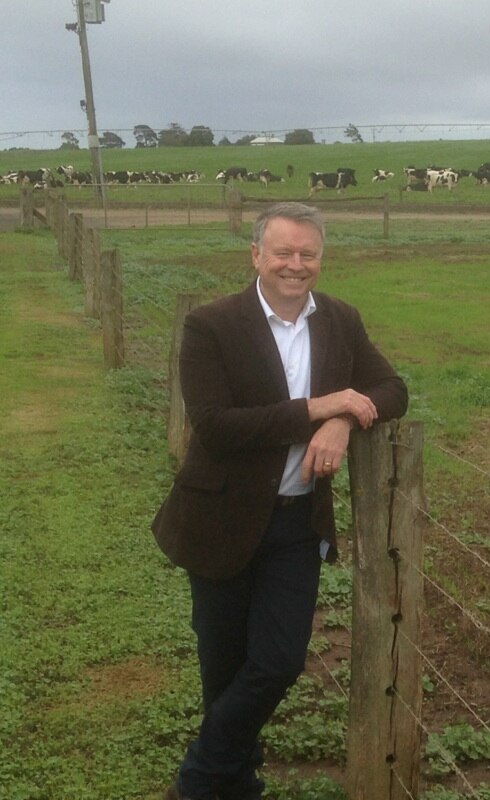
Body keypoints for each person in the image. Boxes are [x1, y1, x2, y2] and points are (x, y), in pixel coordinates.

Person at [152, 201, 408, 800]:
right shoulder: (211, 325)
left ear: (321, 258)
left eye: (308, 254)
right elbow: (216, 426)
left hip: (295, 522)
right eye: (283, 252)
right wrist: (320, 406)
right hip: (218, 519)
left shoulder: (341, 320)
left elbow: (392, 388)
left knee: (278, 662)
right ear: (257, 256)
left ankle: (196, 783)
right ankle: (236, 785)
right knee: (224, 670)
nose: (295, 265)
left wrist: (344, 420)